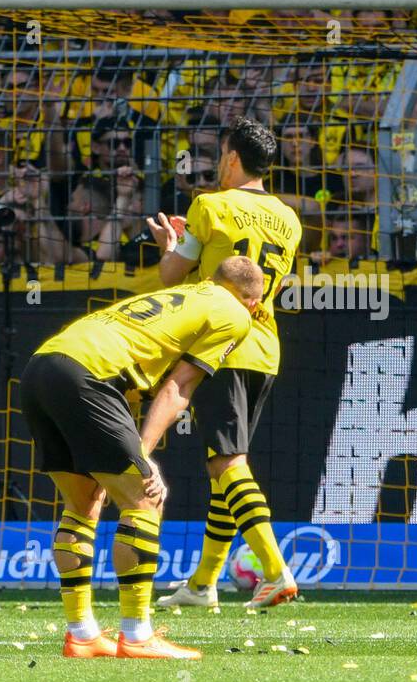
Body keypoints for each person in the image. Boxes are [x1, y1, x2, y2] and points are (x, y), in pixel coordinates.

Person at [21, 256, 264, 659]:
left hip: (40, 368)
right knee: (146, 498)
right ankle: (136, 635)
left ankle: (81, 634)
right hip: (89, 374)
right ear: (252, 301)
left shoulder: (186, 293)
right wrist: (144, 455)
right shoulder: (237, 315)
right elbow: (177, 388)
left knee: (83, 504)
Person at [149, 116, 303, 610]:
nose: (217, 164)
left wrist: (169, 246)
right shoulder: (290, 219)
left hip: (222, 344)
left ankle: (275, 572)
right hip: (265, 348)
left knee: (226, 461)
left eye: (220, 155)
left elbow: (171, 277)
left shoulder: (208, 206)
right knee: (226, 466)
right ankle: (202, 584)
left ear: (232, 158)